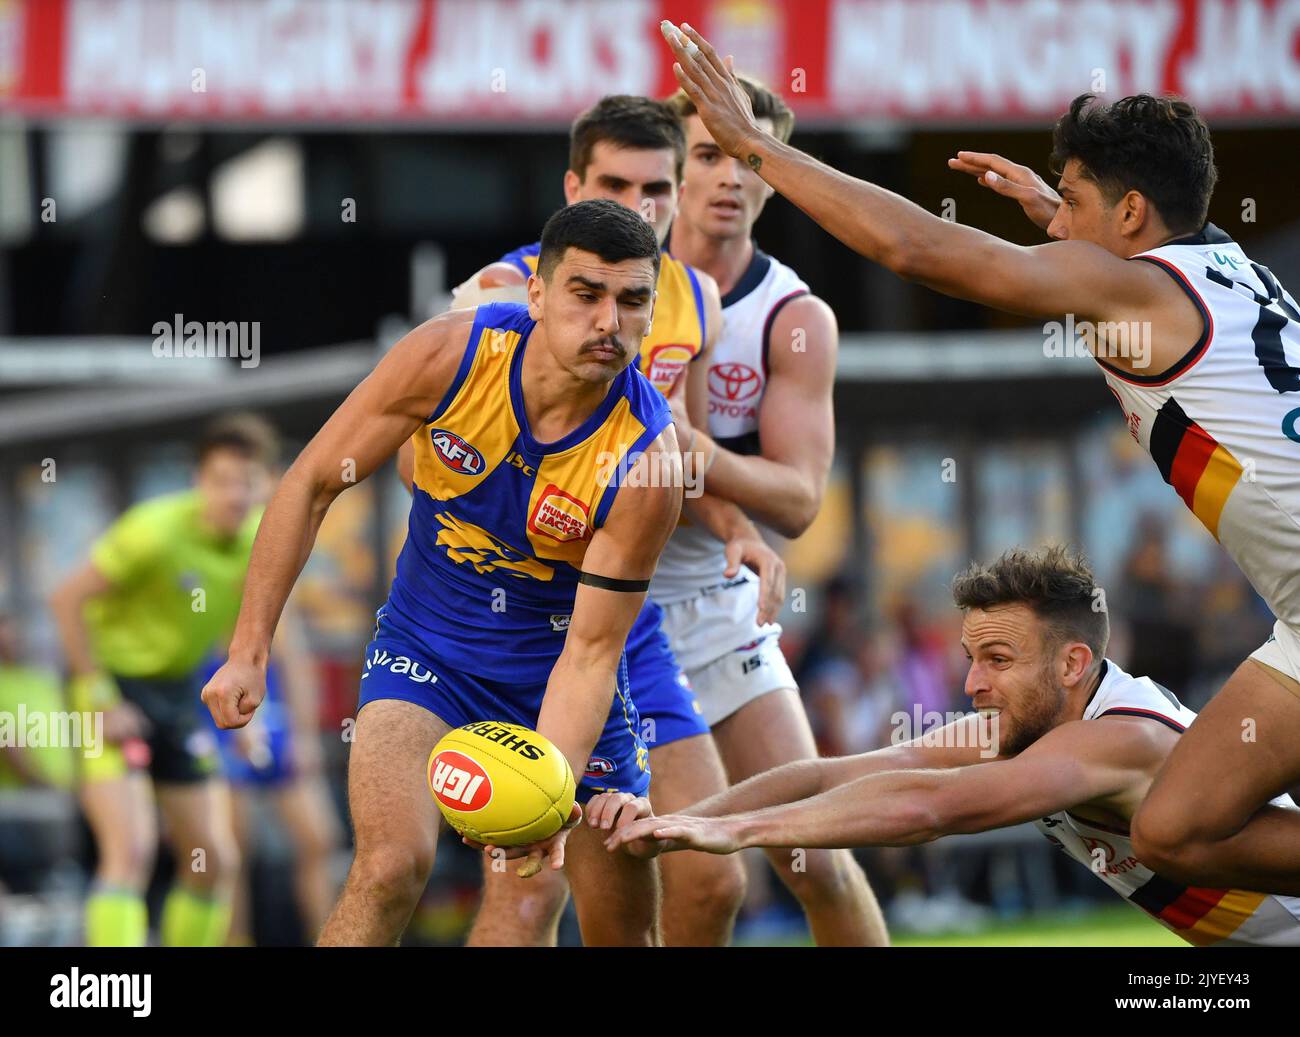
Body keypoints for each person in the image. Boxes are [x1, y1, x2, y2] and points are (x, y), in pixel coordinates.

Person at [661, 21, 1300, 894]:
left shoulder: (1134, 287)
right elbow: (1140, 262)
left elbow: (916, 249)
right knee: (1173, 829)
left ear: (1130, 215)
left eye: (1073, 202)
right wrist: (1064, 217)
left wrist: (754, 148)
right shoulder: (1229, 266)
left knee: (1174, 833)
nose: (1054, 227)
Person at [205, 200, 684, 946]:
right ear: (536, 295)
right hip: (426, 649)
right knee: (390, 864)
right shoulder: (450, 357)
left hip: (554, 668)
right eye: (585, 294)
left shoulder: (650, 462)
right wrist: (250, 645)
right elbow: (309, 483)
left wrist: (549, 792)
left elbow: (591, 654)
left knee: (611, 923)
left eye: (632, 301)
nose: (608, 322)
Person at [404, 94, 784, 946]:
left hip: (622, 620)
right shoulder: (501, 292)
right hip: (504, 618)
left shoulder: (693, 305)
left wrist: (734, 526)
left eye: (656, 188)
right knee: (528, 888)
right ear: (574, 186)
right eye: (614, 183)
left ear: (677, 194)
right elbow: (415, 450)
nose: (638, 207)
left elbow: (674, 450)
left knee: (710, 875)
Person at [598, 546, 1300, 947]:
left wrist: (733, 830)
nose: (970, 682)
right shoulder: (1031, 723)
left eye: (997, 658)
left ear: (1071, 664)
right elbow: (834, 771)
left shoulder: (1116, 740)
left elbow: (934, 807)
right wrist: (676, 823)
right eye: (971, 656)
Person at [643, 75, 885, 944]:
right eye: (708, 154)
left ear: (776, 178)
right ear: (674, 167)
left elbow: (803, 497)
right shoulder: (612, 286)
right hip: (591, 605)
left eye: (751, 158)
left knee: (818, 849)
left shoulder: (794, 318)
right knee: (658, 878)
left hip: (715, 604)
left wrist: (689, 449)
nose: (729, 178)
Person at [48, 414, 279, 946]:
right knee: (130, 850)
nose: (235, 495)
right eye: (222, 481)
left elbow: (237, 631)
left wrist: (248, 716)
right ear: (200, 481)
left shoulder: (259, 540)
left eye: (247, 481)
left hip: (178, 694)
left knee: (215, 860)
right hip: (109, 687)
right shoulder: (153, 531)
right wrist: (102, 698)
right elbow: (66, 600)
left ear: (266, 482)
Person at [201, 608, 342, 945]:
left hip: (272, 714)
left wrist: (305, 736)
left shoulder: (258, 574)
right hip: (218, 712)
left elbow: (295, 661)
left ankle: (328, 938)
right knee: (229, 852)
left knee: (318, 840)